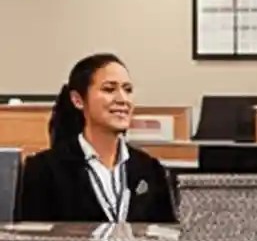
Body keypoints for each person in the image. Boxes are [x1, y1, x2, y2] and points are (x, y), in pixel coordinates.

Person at [17, 54, 177, 223]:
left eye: (128, 89)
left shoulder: (151, 170)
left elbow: (167, 238)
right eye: (109, 89)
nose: (123, 99)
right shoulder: (44, 170)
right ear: (78, 100)